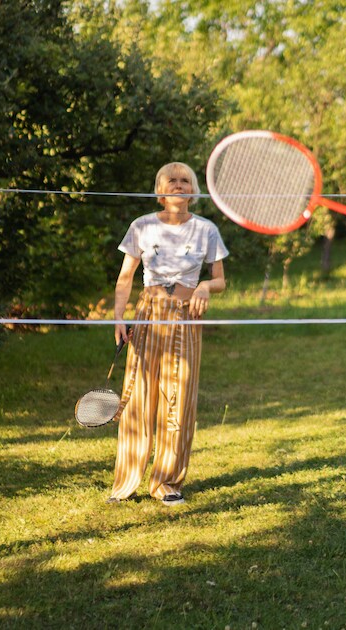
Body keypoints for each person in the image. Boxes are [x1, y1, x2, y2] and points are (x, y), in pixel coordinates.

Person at [107, 162, 228, 507]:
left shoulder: (207, 230)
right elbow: (125, 278)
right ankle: (125, 483)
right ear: (160, 189)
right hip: (148, 314)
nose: (178, 185)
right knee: (138, 398)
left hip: (186, 317)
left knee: (179, 397)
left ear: (193, 190)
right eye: (171, 180)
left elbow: (220, 280)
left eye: (185, 180)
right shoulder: (142, 226)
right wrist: (119, 318)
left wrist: (205, 286)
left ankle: (167, 483)